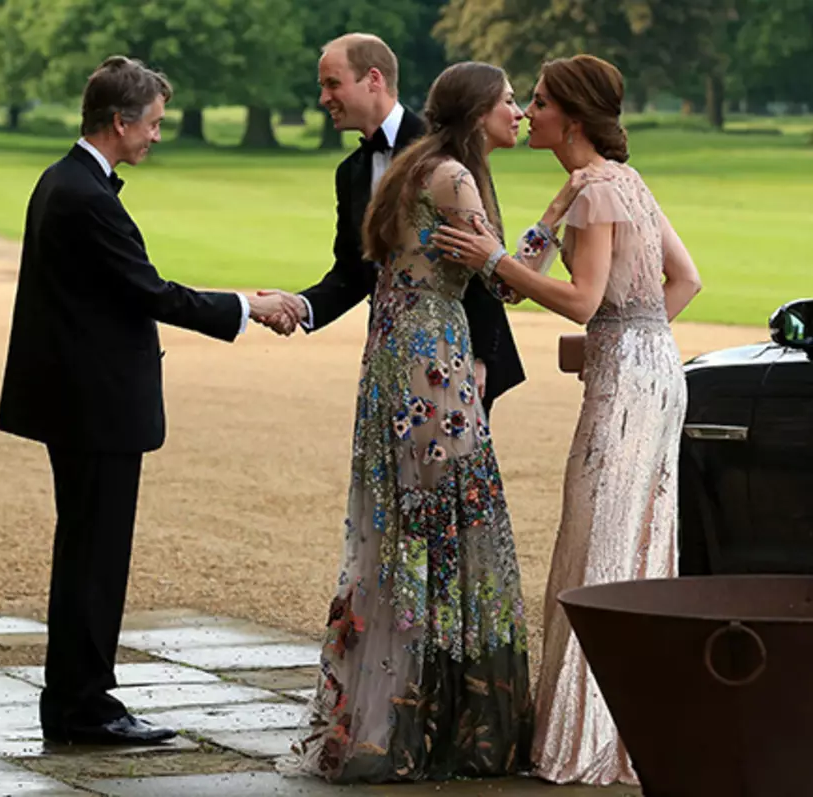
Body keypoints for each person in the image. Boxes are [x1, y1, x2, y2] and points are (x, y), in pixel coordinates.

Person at [0, 56, 285, 746]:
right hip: (94, 407)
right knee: (95, 558)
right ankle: (84, 707)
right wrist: (249, 305)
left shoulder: (65, 182)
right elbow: (149, 291)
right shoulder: (84, 196)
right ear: (120, 121)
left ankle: (74, 700)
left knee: (86, 553)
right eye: (152, 123)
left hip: (82, 403)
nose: (157, 134)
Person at [433, 54, 703, 785]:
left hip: (625, 390)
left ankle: (583, 744)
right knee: (634, 541)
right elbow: (686, 279)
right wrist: (622, 334)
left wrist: (494, 257)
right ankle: (627, 731)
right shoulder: (615, 183)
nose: (528, 113)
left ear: (572, 120)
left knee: (599, 546)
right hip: (655, 372)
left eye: (541, 102)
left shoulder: (598, 192)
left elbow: (580, 298)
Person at [280, 61, 538, 784]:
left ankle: (395, 710)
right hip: (432, 366)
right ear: (480, 110)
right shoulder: (454, 176)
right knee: (447, 526)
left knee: (407, 527)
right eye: (509, 102)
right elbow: (506, 283)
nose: (517, 113)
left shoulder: (414, 165)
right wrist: (554, 225)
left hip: (395, 360)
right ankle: (443, 720)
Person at [259, 33, 524, 415]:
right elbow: (353, 271)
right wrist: (300, 307)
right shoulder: (349, 172)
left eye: (333, 84)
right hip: (391, 349)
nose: (323, 98)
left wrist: (481, 356)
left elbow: (480, 256)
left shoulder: (444, 151)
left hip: (458, 353)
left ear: (374, 79)